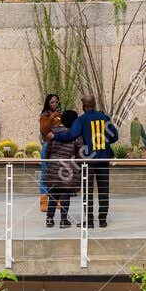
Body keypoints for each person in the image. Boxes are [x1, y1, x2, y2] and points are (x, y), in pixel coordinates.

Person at [52, 94, 118, 228]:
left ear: (84, 106)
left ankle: (89, 221)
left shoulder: (82, 119)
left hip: (89, 160)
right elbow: (115, 136)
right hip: (104, 159)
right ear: (94, 104)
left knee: (88, 191)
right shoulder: (104, 118)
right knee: (103, 190)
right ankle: (103, 220)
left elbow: (71, 135)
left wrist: (55, 136)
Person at [44, 110, 82, 227]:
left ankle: (49, 219)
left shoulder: (53, 132)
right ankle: (63, 220)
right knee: (65, 193)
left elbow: (47, 151)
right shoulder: (75, 134)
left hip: (53, 166)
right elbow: (80, 153)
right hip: (67, 169)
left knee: (53, 193)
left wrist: (50, 162)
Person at [38, 92, 64, 205]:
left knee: (58, 173)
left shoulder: (61, 115)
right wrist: (51, 117)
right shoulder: (44, 115)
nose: (54, 104)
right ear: (48, 103)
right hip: (47, 146)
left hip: (58, 146)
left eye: (56, 102)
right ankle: (44, 202)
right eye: (52, 102)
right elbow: (44, 130)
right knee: (45, 173)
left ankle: (57, 200)